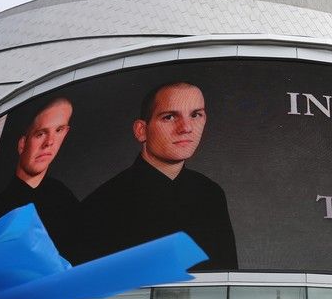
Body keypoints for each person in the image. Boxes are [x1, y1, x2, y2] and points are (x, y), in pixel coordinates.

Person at [78, 81, 237, 270]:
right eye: (169, 117)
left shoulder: (211, 193)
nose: (186, 128)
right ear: (141, 130)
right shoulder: (102, 205)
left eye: (195, 115)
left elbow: (228, 276)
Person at [0, 96, 80, 261]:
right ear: (22, 144)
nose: (49, 142)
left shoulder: (64, 197)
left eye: (58, 130)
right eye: (40, 134)